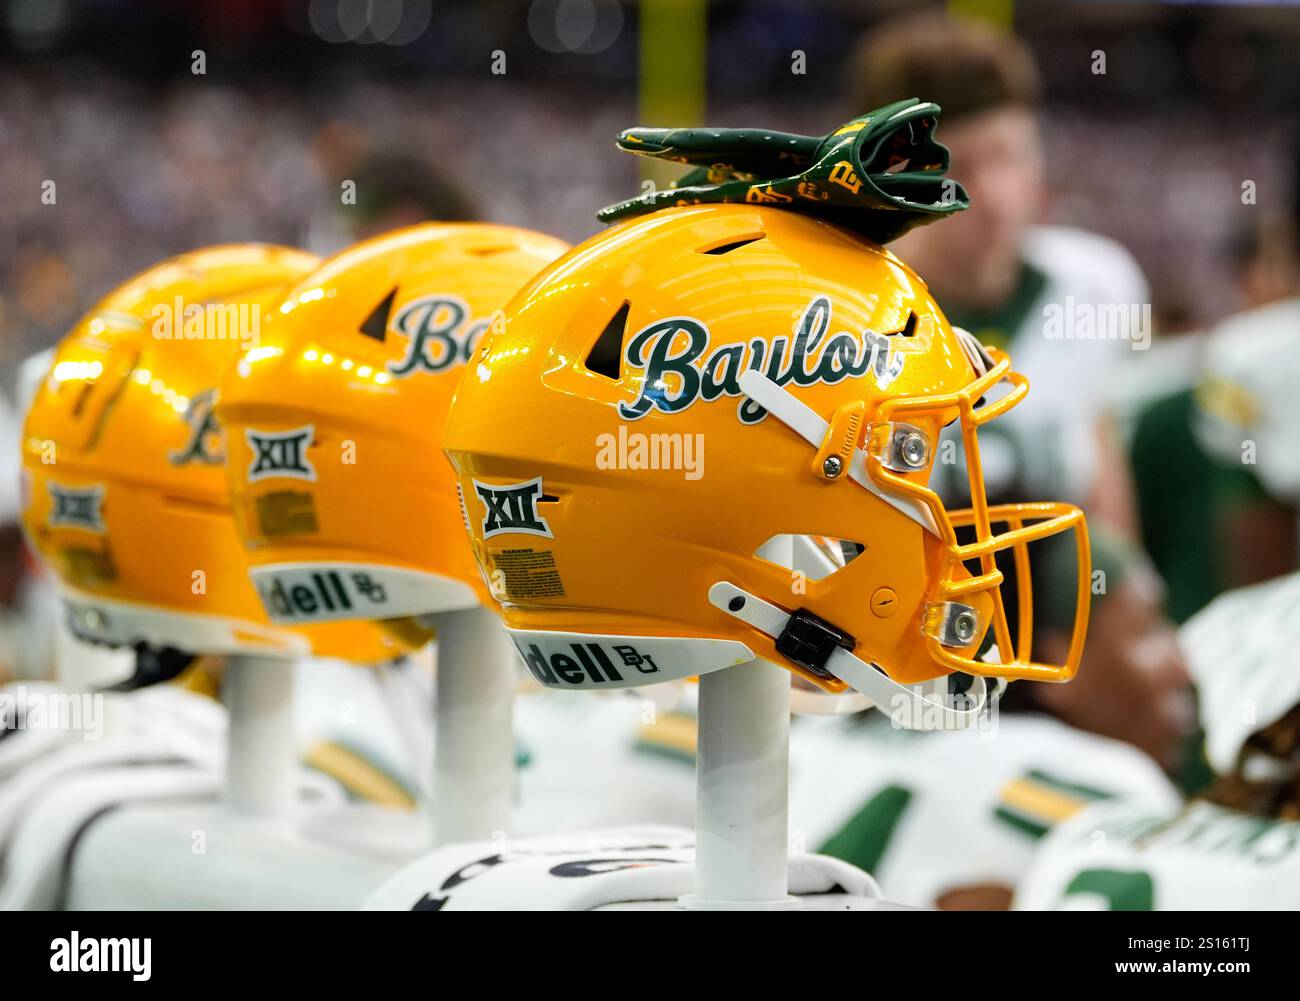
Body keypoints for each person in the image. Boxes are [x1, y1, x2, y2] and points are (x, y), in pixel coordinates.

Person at [848, 12, 1145, 536]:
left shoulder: (1094, 286)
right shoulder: (849, 308)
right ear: (890, 179)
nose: (994, 196)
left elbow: (1106, 515)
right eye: (959, 167)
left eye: (1008, 156)